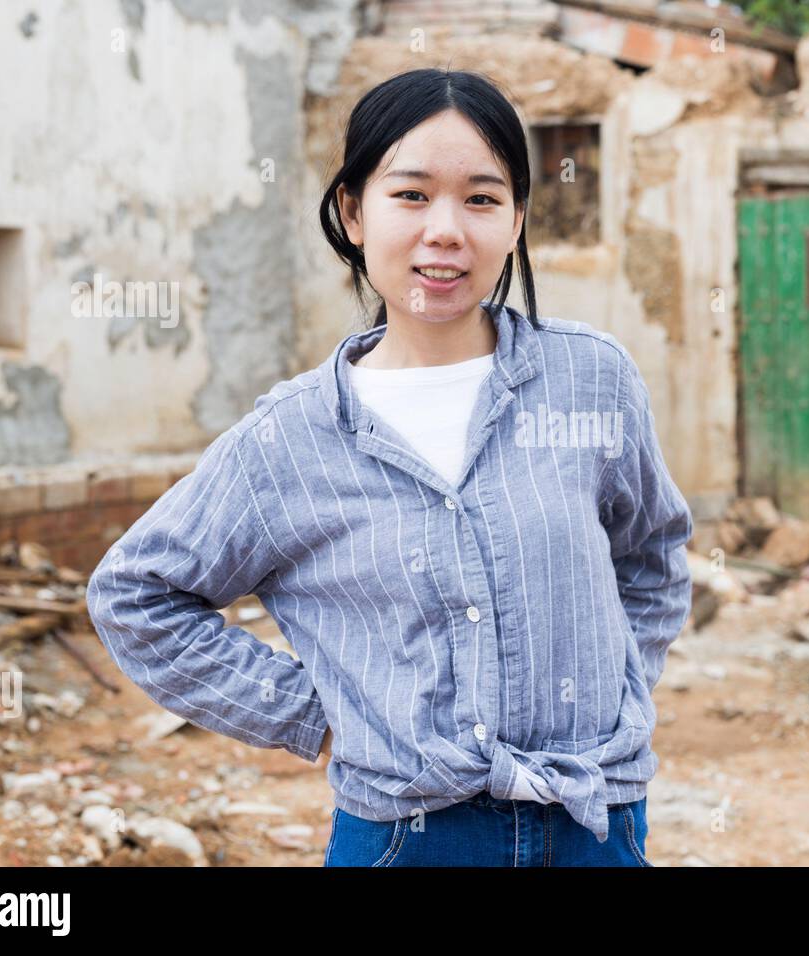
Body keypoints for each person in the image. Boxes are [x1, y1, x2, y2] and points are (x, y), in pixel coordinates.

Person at [86, 67, 694, 867]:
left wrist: (617, 693)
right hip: (406, 839)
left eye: (481, 198)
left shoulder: (591, 380)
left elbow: (651, 555)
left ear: (515, 221)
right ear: (353, 212)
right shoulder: (290, 439)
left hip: (594, 822)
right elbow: (136, 594)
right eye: (410, 195)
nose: (446, 230)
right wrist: (321, 716)